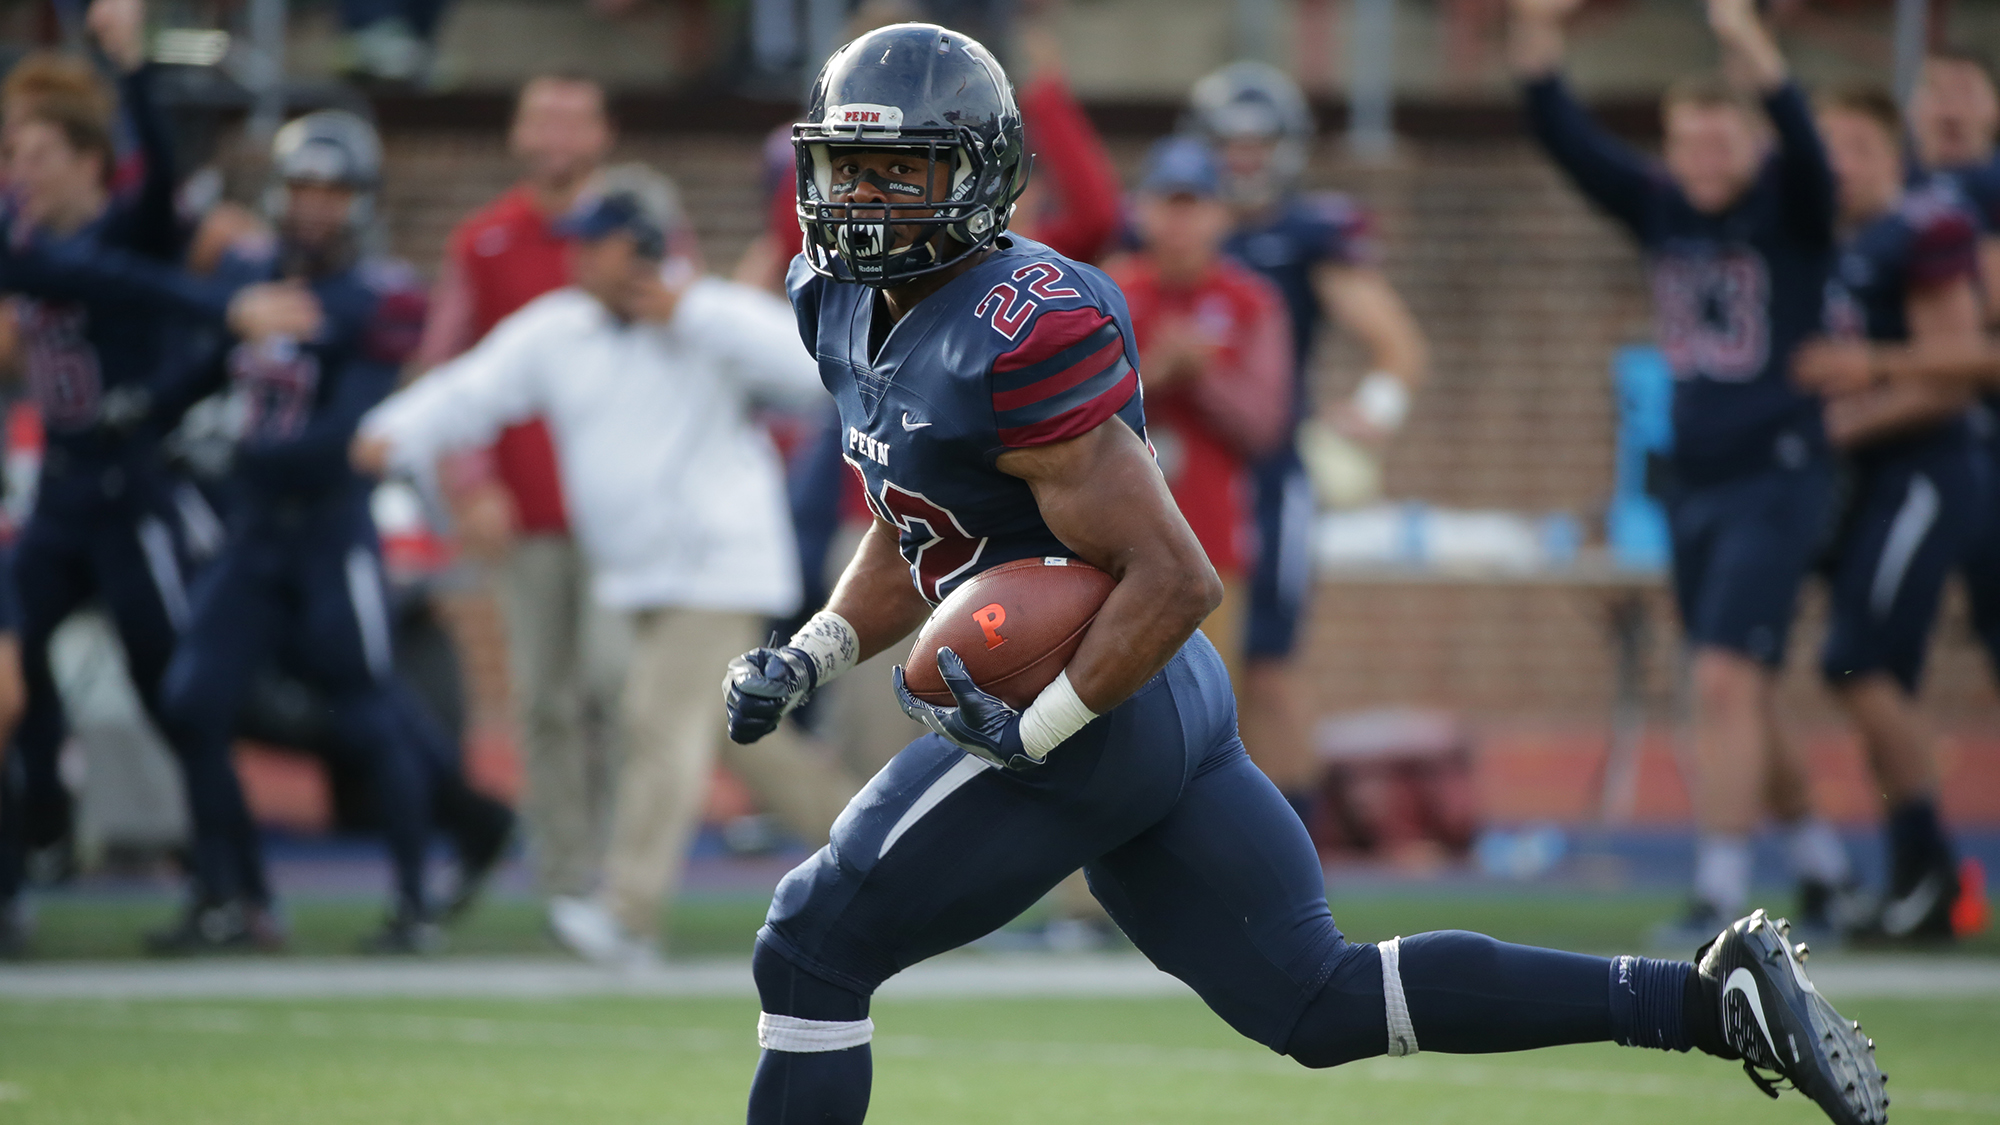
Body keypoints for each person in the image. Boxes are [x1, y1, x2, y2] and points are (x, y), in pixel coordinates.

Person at [721, 23, 1884, 1125]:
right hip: (1150, 698)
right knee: (1317, 1000)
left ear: (978, 176)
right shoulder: (835, 300)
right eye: (847, 169)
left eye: (901, 170)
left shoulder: (1018, 327)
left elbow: (1175, 577)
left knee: (810, 945)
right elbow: (915, 515)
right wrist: (814, 651)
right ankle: (1705, 1001)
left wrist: (1039, 733)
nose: (863, 199)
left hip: (1097, 691)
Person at [354, 166, 859, 966]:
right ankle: (890, 859)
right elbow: (471, 389)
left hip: (716, 572)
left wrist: (690, 309)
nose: (580, 257)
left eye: (599, 243)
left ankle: (628, 912)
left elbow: (814, 371)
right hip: (640, 579)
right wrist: (393, 430)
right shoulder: (559, 330)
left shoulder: (709, 315)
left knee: (654, 720)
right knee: (748, 745)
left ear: (646, 246)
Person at [1509, 0, 1853, 936]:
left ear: (1750, 144)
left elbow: (1802, 138)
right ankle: (1825, 868)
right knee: (1742, 683)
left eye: (1719, 140)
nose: (1702, 158)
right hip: (1694, 479)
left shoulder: (1790, 208)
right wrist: (1536, 33)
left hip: (1777, 471)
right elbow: (1564, 134)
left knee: (1723, 677)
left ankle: (1721, 889)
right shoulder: (1661, 205)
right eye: (1686, 141)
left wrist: (1742, 35)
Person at [0, 32, 233, 942]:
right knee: (14, 670)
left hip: (132, 493)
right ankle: (37, 841)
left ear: (90, 160)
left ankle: (232, 880)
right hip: (59, 494)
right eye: (13, 154)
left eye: (36, 154)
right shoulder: (32, 247)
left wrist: (132, 71)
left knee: (175, 688)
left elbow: (157, 196)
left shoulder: (124, 231)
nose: (21, 171)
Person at [1182, 60, 1427, 817]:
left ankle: (1299, 836)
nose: (1242, 159)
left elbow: (1399, 345)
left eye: (1257, 143)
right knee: (1187, 670)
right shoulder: (1164, 228)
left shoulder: (1303, 237)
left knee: (1267, 663)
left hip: (1265, 477)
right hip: (1176, 478)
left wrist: (1375, 408)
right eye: (1230, 143)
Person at [412, 72, 625, 921]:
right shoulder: (484, 241)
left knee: (615, 683)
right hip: (528, 513)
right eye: (543, 119)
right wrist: (470, 483)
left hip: (623, 517)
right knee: (543, 696)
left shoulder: (637, 231)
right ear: (518, 133)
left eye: (575, 118)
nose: (558, 136)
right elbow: (446, 368)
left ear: (602, 134)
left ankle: (617, 864)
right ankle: (565, 875)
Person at [1792, 88, 1987, 943]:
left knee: (1858, 658)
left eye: (1858, 146)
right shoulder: (1839, 240)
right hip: (1876, 481)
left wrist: (1853, 397)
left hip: (1929, 470)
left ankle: (1931, 869)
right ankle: (1914, 871)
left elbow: (1963, 368)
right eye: (1827, 146)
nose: (1840, 164)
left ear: (1892, 153)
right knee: (1868, 672)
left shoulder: (1922, 226)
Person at [1106, 135, 1292, 684]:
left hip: (1214, 540)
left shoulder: (1251, 300)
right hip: (1115, 540)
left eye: (1194, 206)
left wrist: (1205, 377)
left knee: (1208, 697)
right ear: (1142, 211)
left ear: (1221, 216)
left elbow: (1266, 423)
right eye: (1169, 205)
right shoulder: (1111, 291)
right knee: (1113, 698)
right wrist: (1154, 374)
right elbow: (1074, 412)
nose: (1180, 223)